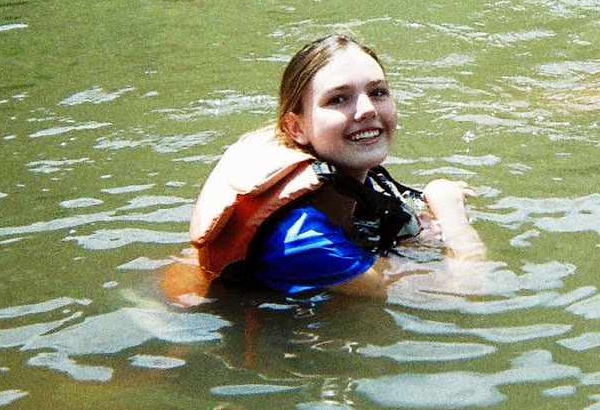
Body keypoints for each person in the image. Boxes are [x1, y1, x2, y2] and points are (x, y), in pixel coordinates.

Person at [178, 34, 484, 301]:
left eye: (378, 92)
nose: (367, 110)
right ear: (295, 128)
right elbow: (462, 291)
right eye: (338, 99)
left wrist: (413, 245)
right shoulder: (301, 238)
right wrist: (449, 209)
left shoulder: (337, 183)